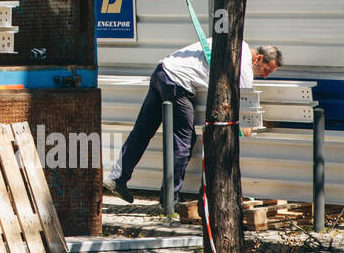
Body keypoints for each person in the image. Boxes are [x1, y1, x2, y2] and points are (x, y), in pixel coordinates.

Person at [104, 42, 283, 203]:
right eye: (266, 70)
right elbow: (245, 120)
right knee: (184, 140)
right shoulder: (243, 68)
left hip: (162, 71)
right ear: (258, 59)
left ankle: (117, 178)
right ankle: (169, 198)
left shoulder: (237, 43)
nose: (265, 77)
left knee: (142, 131)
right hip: (177, 83)